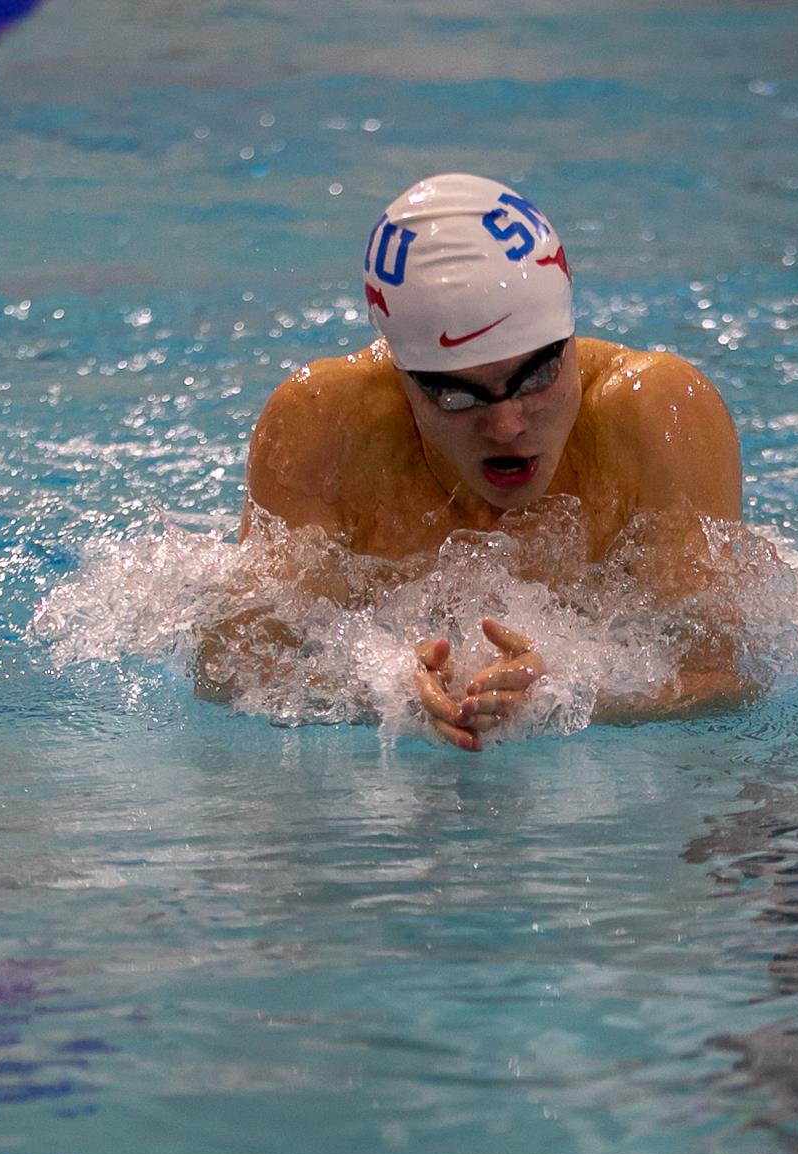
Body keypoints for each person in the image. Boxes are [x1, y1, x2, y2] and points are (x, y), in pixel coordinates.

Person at [217, 172, 754, 750]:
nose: (507, 426)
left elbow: (724, 676)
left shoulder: (655, 416)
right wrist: (385, 693)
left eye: (538, 375)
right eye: (456, 395)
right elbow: (232, 664)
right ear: (404, 380)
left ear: (571, 338)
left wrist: (562, 695)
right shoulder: (328, 426)